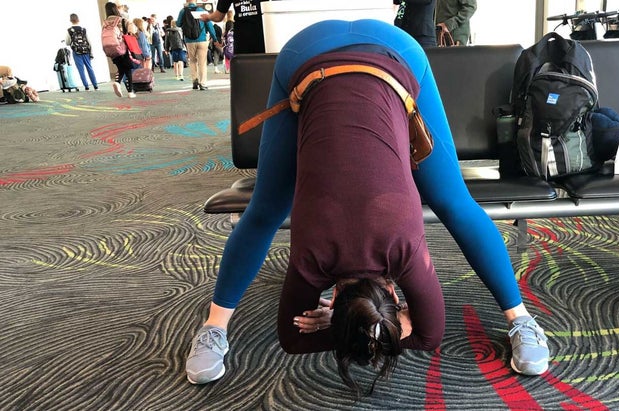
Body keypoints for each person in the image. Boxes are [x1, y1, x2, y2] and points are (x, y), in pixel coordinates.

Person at [185, 19, 551, 386]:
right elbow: (295, 338)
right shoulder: (317, 259)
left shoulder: (391, 255)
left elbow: (426, 333)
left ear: (393, 290)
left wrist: (367, 324)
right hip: (367, 52)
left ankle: (520, 317)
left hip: (334, 51)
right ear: (336, 295)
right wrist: (357, 323)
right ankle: (518, 317)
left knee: (451, 200)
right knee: (268, 209)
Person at [177, 1, 219, 90]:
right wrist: (215, 39)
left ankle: (194, 81)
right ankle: (203, 83)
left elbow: (178, 24)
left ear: (187, 1)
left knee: (192, 61)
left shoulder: (183, 11)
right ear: (196, 1)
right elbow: (210, 26)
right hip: (202, 39)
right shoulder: (201, 10)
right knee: (202, 62)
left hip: (189, 40)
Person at [200, 0, 265, 54]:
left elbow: (218, 16)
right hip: (266, 33)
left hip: (243, 37)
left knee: (244, 65)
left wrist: (208, 17)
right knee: (269, 64)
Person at [103, 2, 135, 98]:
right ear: (115, 9)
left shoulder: (105, 22)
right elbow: (130, 31)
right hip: (122, 48)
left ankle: (117, 82)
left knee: (121, 68)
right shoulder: (120, 20)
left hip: (110, 49)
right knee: (128, 69)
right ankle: (130, 92)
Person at [66, 13, 98, 91]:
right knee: (89, 68)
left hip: (76, 53)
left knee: (81, 70)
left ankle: (86, 87)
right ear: (78, 19)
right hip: (86, 51)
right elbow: (89, 41)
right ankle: (95, 86)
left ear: (70, 20)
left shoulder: (69, 31)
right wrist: (91, 52)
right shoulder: (83, 29)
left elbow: (67, 42)